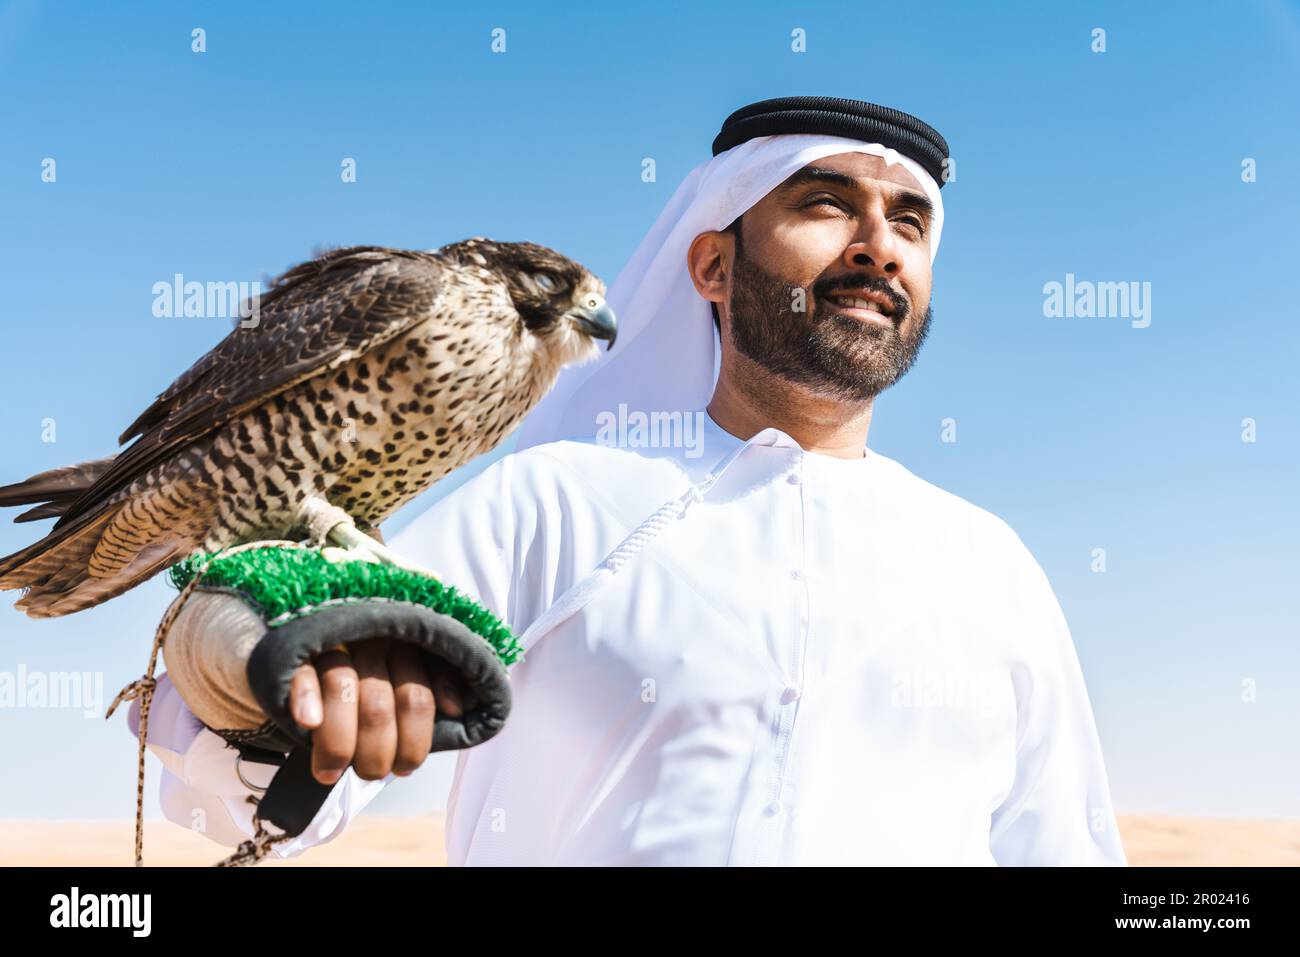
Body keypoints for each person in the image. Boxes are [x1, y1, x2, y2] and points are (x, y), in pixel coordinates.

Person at [128, 95, 1128, 866]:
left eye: (910, 222)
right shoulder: (551, 504)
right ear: (710, 266)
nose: (878, 243)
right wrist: (256, 673)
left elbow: (1064, 846)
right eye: (825, 204)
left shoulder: (989, 566)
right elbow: (248, 792)